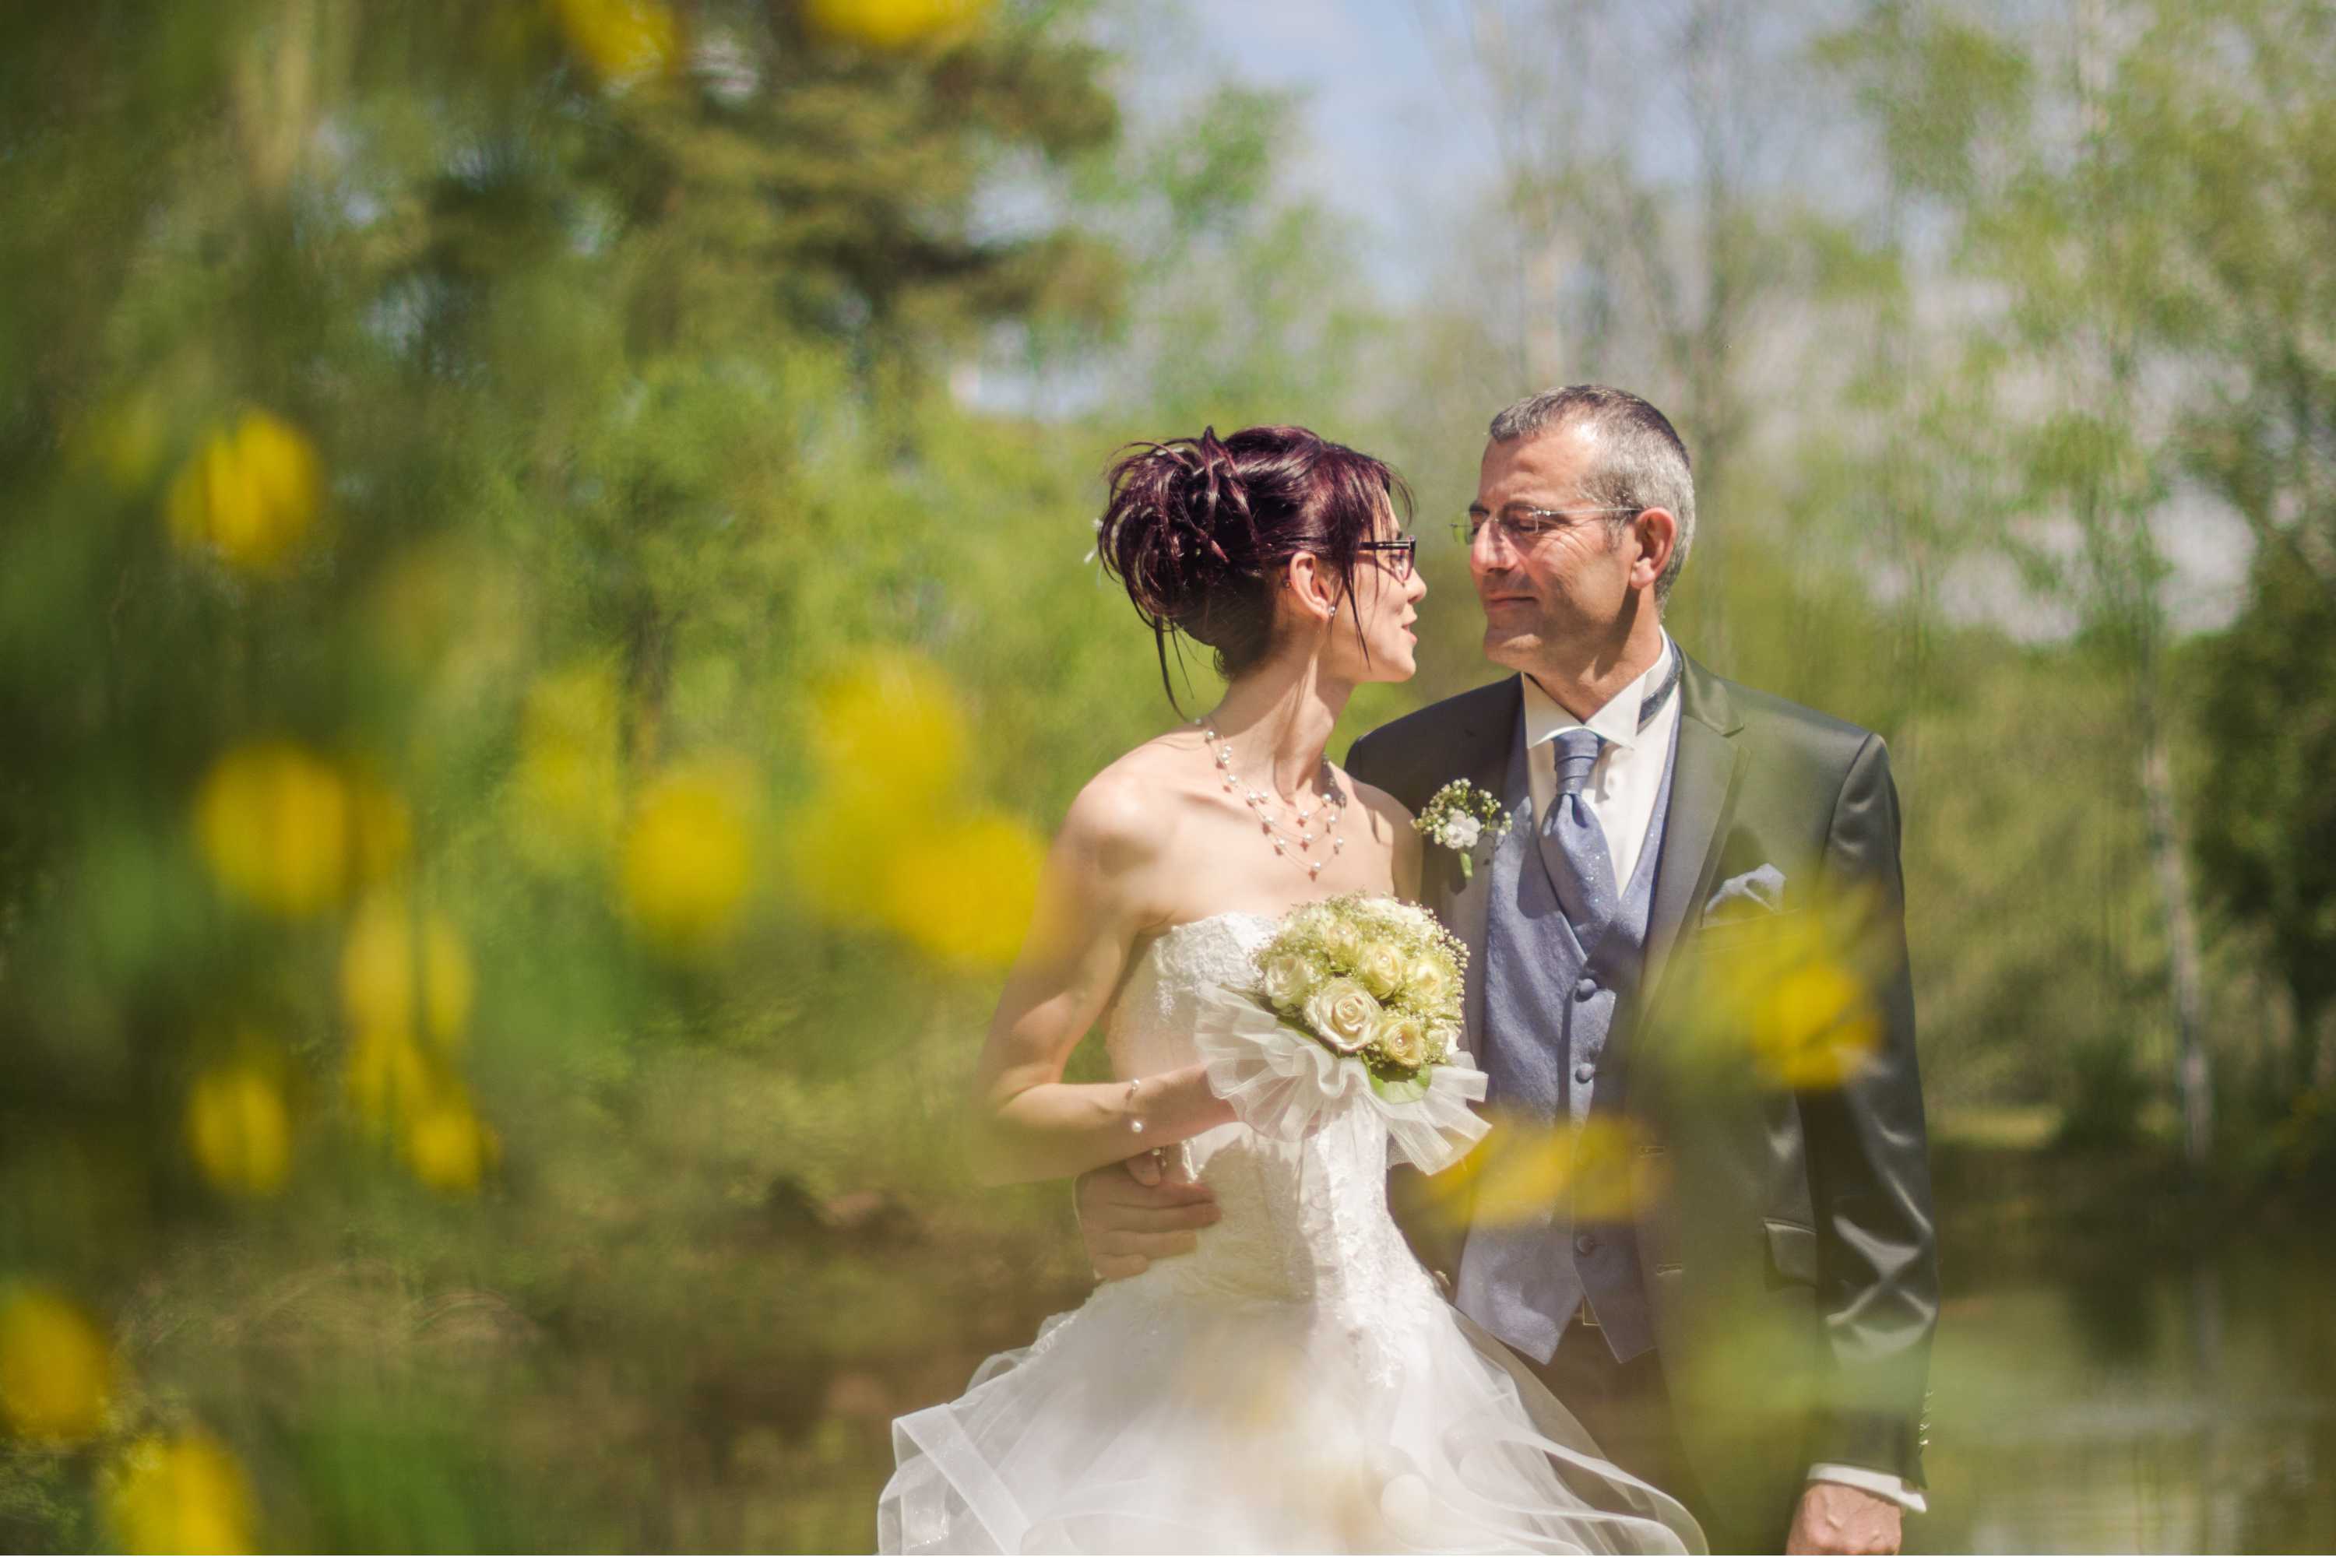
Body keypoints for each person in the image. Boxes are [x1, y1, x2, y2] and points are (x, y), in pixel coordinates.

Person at [1075, 388, 1940, 1553]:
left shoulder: (1815, 779)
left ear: (1648, 545)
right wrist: (1129, 1175)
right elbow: (1292, 1039)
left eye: (1527, 524)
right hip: (1454, 1393)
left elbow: (1875, 1157)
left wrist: (1862, 1454)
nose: (1482, 557)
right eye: (1477, 521)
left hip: (1740, 1401)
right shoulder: (1399, 772)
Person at [877, 424, 1701, 1554]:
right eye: (1396, 554)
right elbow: (995, 1118)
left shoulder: (1389, 829)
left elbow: (1418, 1127)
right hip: (1188, 1395)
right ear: (1315, 582)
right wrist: (1195, 1102)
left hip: (1407, 1381)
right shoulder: (1128, 819)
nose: (1424, 581)